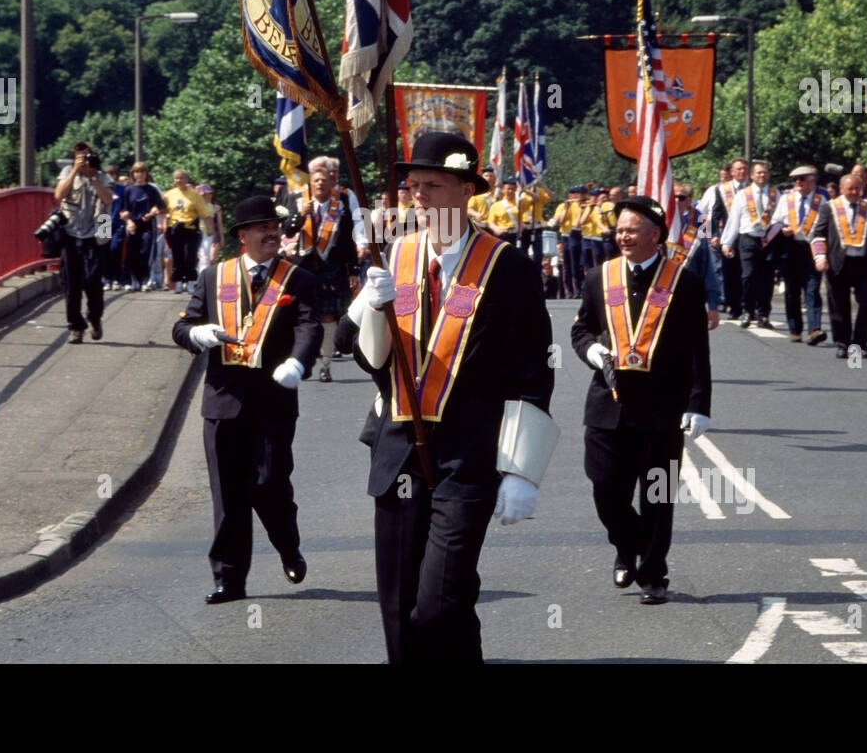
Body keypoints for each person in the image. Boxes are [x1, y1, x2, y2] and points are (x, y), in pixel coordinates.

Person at [342, 131, 557, 663]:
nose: (419, 197)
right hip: (398, 450)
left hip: (469, 456)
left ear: (466, 191)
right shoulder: (399, 254)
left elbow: (533, 371)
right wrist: (372, 309)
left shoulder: (507, 267)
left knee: (438, 599)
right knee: (398, 603)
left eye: (432, 186)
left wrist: (522, 469)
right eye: (414, 187)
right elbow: (370, 359)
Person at [172, 195, 320, 604]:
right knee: (228, 493)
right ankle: (229, 579)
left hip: (273, 399)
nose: (273, 233)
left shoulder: (297, 279)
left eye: (275, 227)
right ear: (243, 235)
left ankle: (288, 546)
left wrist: (298, 363)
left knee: (269, 483)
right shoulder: (213, 277)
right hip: (223, 400)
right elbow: (183, 326)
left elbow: (310, 328)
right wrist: (198, 335)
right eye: (263, 227)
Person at [571, 195, 712, 605]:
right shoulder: (599, 277)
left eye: (632, 230)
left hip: (661, 408)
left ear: (655, 235)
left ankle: (653, 573)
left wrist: (698, 404)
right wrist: (593, 352)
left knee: (657, 494)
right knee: (604, 488)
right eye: (619, 230)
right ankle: (627, 545)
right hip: (607, 404)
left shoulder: (682, 281)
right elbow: (582, 330)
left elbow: (696, 350)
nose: (623, 236)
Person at [279, 156, 359, 382]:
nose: (320, 184)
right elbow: (287, 230)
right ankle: (302, 360)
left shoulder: (339, 206)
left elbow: (346, 241)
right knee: (300, 316)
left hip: (330, 268)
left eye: (324, 181)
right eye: (316, 181)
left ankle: (325, 365)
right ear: (310, 184)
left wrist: (352, 269)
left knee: (327, 317)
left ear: (331, 183)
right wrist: (300, 215)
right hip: (303, 266)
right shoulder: (297, 202)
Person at [811, 174, 867, 359]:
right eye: (851, 189)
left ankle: (859, 343)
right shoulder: (829, 208)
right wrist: (820, 257)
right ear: (842, 189)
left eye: (858, 188)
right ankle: (843, 343)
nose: (855, 192)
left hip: (863, 264)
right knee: (839, 307)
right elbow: (818, 234)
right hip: (838, 263)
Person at [54, 141, 115, 342]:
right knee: (71, 284)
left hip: (97, 234)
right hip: (70, 233)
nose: (84, 159)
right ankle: (76, 327)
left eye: (87, 155)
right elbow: (59, 195)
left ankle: (94, 319)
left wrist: (94, 177)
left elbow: (108, 200)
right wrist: (75, 172)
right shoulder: (67, 172)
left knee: (93, 282)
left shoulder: (101, 175)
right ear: (74, 157)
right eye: (80, 156)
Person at [772, 165, 828, 345]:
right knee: (792, 291)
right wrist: (783, 229)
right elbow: (775, 222)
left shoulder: (822, 200)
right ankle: (795, 329)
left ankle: (814, 329)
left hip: (812, 247)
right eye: (795, 180)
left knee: (812, 289)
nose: (798, 183)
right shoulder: (786, 199)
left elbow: (827, 224)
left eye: (802, 179)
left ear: (812, 180)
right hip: (790, 247)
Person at [722, 160, 778, 329]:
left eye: (765, 173)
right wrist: (727, 242)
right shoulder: (743, 195)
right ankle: (747, 310)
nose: (762, 175)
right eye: (759, 173)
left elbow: (780, 218)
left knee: (767, 279)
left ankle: (763, 314)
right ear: (752, 175)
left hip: (768, 239)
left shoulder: (776, 194)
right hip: (748, 239)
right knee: (748, 276)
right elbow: (734, 220)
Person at [668, 182, 721, 327]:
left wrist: (713, 304)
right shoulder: (655, 229)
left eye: (682, 197)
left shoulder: (700, 217)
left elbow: (708, 240)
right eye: (674, 197)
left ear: (690, 199)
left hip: (690, 289)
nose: (677, 200)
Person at [700, 158, 748, 318]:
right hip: (727, 236)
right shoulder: (718, 190)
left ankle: (748, 306)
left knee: (748, 273)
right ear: (732, 172)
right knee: (729, 272)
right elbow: (710, 214)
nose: (741, 172)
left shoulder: (752, 188)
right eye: (738, 169)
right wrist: (710, 235)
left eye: (744, 169)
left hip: (748, 236)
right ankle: (733, 305)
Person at [117, 163, 164, 292]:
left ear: (146, 174)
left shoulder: (152, 189)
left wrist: (152, 213)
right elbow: (123, 211)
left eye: (142, 172)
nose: (140, 174)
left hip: (148, 224)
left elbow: (159, 206)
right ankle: (130, 280)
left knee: (145, 251)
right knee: (131, 252)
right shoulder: (128, 190)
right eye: (137, 172)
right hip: (133, 224)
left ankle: (144, 280)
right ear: (132, 174)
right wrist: (129, 222)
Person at [164, 170, 212, 294]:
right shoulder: (169, 195)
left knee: (190, 255)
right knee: (177, 255)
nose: (178, 181)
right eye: (176, 178)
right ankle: (178, 282)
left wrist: (210, 227)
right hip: (174, 229)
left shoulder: (195, 195)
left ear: (186, 179)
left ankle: (190, 281)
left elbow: (205, 213)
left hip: (190, 229)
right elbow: (161, 209)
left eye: (181, 178)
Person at [196, 183, 222, 273]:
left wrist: (220, 238)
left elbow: (218, 224)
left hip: (209, 234)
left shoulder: (213, 207)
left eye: (209, 193)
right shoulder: (196, 206)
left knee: (208, 258)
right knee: (201, 257)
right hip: (197, 234)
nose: (208, 195)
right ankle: (200, 277)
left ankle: (206, 277)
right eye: (204, 194)